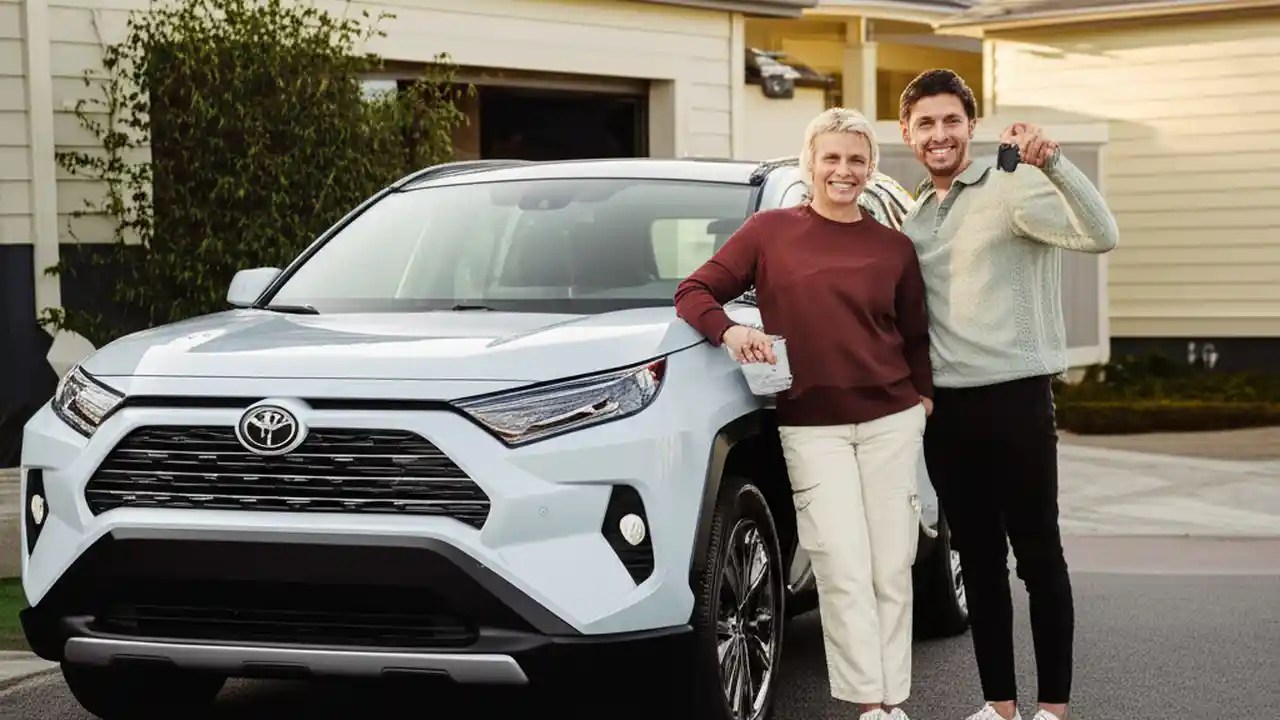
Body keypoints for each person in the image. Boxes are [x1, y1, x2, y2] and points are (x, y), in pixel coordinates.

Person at [674, 107, 933, 720]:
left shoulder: (893, 247)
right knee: (841, 566)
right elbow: (693, 292)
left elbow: (916, 335)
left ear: (871, 168)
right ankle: (869, 705)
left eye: (856, 159)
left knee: (891, 568)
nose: (843, 171)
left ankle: (895, 702)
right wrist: (732, 334)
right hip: (811, 427)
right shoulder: (769, 233)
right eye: (832, 158)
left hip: (892, 420)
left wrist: (922, 400)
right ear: (810, 163)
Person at [896, 69, 1119, 720]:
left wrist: (1056, 164)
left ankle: (1052, 710)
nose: (940, 134)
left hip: (1016, 401)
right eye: (926, 123)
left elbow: (1101, 234)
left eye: (951, 120)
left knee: (1038, 558)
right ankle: (999, 707)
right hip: (948, 413)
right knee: (981, 567)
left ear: (970, 126)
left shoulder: (1012, 184)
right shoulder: (916, 216)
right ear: (910, 135)